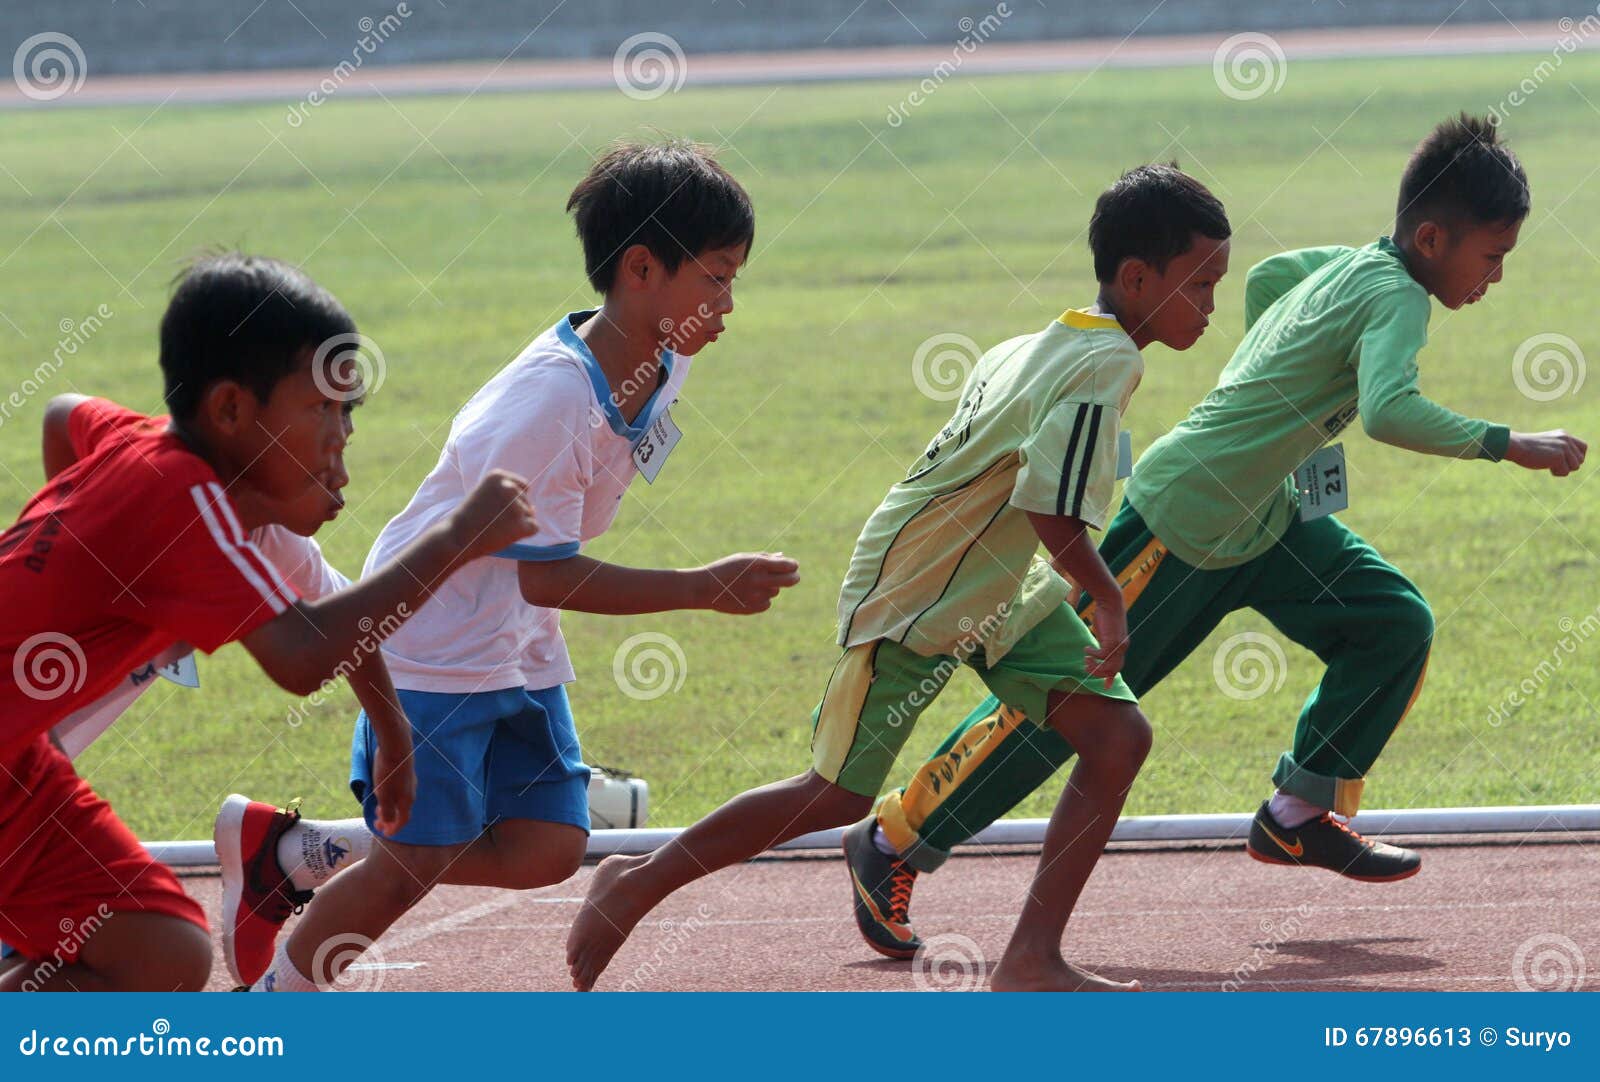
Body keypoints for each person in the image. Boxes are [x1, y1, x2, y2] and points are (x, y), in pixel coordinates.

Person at [843, 113, 1587, 959]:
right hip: (1184, 517)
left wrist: (1283, 411)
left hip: (1268, 520)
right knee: (1066, 711)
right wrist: (1509, 443)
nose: (1496, 277)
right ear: (1430, 237)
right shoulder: (1399, 297)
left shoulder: (1352, 266)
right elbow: (1387, 411)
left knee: (1392, 623)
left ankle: (1299, 812)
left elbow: (1274, 281)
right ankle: (894, 838)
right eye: (1491, 257)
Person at [565, 163, 1232, 992]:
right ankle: (635, 883)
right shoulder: (1103, 366)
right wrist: (1106, 596)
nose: (1210, 306)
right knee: (831, 796)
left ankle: (1030, 959)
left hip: (992, 593)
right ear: (1138, 279)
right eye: (1201, 285)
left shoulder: (1050, 339)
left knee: (1117, 735)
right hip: (918, 594)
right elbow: (1054, 512)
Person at [245, 140, 800, 993]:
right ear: (643, 270)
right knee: (411, 865)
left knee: (548, 847)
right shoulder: (549, 403)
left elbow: (539, 578)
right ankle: (272, 1007)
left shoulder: (664, 354)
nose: (730, 302)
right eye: (717, 278)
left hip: (515, 634)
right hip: (433, 636)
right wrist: (701, 589)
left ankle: (293, 851)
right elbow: (549, 574)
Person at [0, 252, 535, 991]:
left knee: (165, 955)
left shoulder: (160, 458)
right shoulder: (187, 506)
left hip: (17, 765)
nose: (341, 432)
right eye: (321, 407)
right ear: (229, 411)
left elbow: (65, 415)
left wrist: (395, 736)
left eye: (349, 410)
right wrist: (455, 540)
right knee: (151, 959)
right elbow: (303, 656)